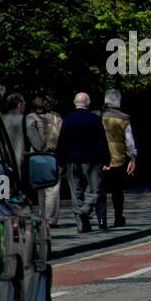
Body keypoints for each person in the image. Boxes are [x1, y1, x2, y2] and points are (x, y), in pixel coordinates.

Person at [55, 92, 109, 232]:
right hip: (91, 159)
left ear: (75, 103)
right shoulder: (94, 119)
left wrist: (60, 161)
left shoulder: (68, 119)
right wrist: (106, 159)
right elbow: (102, 140)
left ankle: (81, 223)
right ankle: (85, 210)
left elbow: (62, 142)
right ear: (88, 103)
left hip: (72, 160)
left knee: (76, 192)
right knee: (94, 190)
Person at [97, 88, 137, 229]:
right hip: (117, 157)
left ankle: (102, 220)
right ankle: (118, 217)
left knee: (100, 189)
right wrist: (132, 159)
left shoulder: (98, 115)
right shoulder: (123, 117)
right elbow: (129, 141)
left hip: (99, 158)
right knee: (117, 190)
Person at [25, 94, 63, 225]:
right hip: (53, 155)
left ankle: (42, 216)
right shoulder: (56, 117)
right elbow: (61, 136)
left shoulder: (30, 118)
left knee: (40, 188)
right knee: (53, 189)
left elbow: (31, 137)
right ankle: (50, 218)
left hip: (36, 156)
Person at [0, 92, 27, 178]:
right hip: (16, 163)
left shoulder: (1, 118)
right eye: (24, 103)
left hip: (2, 163)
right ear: (19, 105)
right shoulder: (21, 120)